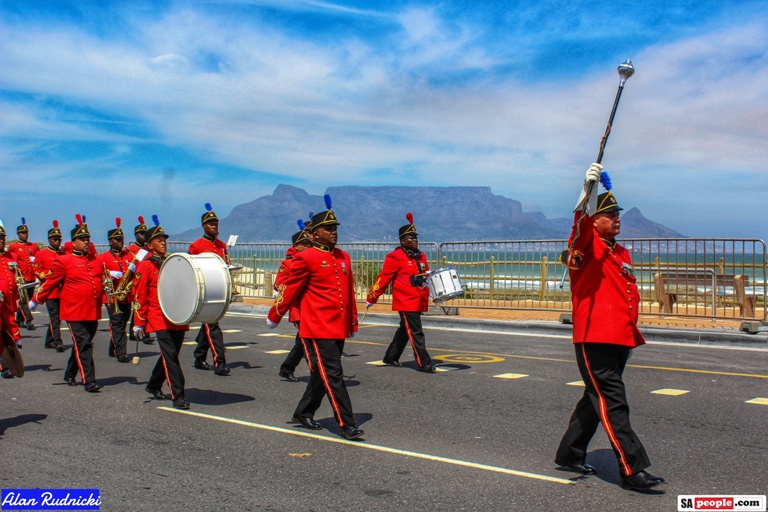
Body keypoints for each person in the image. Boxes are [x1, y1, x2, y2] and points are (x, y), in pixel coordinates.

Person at [555, 163, 665, 491]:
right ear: (596, 220)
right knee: (614, 401)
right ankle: (631, 469)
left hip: (620, 337)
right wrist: (586, 195)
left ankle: (569, 453)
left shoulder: (621, 252)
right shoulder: (588, 247)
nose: (617, 218)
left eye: (618, 214)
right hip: (596, 337)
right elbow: (578, 229)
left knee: (595, 398)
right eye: (610, 214)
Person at [267, 196, 364, 440]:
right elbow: (290, 290)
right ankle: (346, 423)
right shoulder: (305, 258)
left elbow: (348, 294)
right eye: (328, 228)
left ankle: (303, 412)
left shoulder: (343, 257)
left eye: (335, 228)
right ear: (314, 234)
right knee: (333, 374)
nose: (333, 232)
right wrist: (275, 315)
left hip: (338, 326)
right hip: (317, 327)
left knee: (322, 374)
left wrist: (352, 322)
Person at [31, 215, 103, 393]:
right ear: (74, 242)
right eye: (82, 239)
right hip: (74, 311)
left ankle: (70, 373)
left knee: (83, 344)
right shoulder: (64, 260)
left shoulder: (95, 261)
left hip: (92, 311)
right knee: (84, 344)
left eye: (88, 239)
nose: (86, 242)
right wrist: (35, 300)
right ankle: (89, 380)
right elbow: (51, 282)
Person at [133, 216, 191, 409]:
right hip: (159, 316)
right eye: (159, 240)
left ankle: (153, 384)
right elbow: (140, 295)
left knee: (172, 354)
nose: (163, 242)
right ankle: (178, 395)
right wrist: (139, 322)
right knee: (171, 357)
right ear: (150, 245)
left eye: (164, 239)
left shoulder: (172, 262)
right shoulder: (146, 265)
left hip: (177, 315)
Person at [366, 213, 435, 373]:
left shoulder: (421, 255)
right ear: (403, 240)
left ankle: (391, 356)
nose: (415, 240)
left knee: (405, 330)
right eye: (411, 237)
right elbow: (383, 278)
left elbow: (425, 274)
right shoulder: (395, 256)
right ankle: (424, 362)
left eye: (416, 237)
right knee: (416, 331)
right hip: (406, 301)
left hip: (418, 299)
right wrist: (372, 297)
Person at [188, 203, 231, 376]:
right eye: (211, 224)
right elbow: (190, 269)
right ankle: (219, 363)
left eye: (216, 224)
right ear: (204, 226)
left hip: (218, 290)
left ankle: (199, 356)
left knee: (209, 325)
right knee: (213, 327)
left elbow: (224, 264)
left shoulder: (221, 245)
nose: (214, 226)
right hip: (204, 292)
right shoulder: (196, 246)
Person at [274, 221, 313, 382]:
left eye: (309, 244)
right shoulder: (288, 263)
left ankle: (287, 368)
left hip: (310, 308)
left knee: (302, 342)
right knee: (307, 343)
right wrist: (293, 291)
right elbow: (278, 284)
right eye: (304, 244)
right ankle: (317, 372)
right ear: (296, 246)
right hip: (298, 309)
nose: (308, 246)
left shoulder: (309, 261)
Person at [98, 218, 135, 362]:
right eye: (118, 239)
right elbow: (97, 275)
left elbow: (136, 275)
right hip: (112, 296)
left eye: (122, 239)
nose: (121, 242)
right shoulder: (103, 258)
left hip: (126, 295)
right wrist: (109, 273)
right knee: (118, 323)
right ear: (110, 241)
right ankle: (121, 353)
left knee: (123, 322)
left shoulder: (128, 256)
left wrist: (134, 269)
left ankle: (113, 349)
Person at [33, 220, 65, 352]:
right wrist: (50, 273)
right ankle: (58, 341)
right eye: (55, 239)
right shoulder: (42, 254)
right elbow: (37, 271)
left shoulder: (63, 254)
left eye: (59, 239)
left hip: (63, 290)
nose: (57, 242)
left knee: (58, 317)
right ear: (49, 240)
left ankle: (49, 340)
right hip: (50, 291)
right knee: (54, 316)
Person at [0, 220, 23, 379]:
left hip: (8, 300)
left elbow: (15, 275)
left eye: (2, 237)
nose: (1, 240)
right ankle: (3, 366)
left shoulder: (10, 256)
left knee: (8, 327)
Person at [8, 218, 38, 330]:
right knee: (23, 300)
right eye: (23, 233)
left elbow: (38, 258)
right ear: (18, 234)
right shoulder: (14, 247)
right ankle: (28, 320)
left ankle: (19, 320)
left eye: (26, 233)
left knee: (28, 299)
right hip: (21, 277)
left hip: (31, 276)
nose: (25, 235)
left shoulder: (33, 246)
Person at [128, 216, 153, 344]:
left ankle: (144, 333)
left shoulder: (148, 249)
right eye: (141, 233)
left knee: (144, 308)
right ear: (136, 235)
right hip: (134, 282)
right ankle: (137, 332)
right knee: (138, 308)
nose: (143, 236)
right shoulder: (131, 249)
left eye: (145, 233)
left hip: (146, 281)